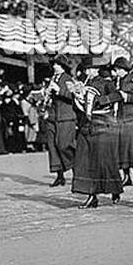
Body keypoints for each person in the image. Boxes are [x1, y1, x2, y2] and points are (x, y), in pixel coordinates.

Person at [71, 61, 122, 209]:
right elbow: (77, 107)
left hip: (101, 125)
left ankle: (114, 188)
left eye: (92, 69)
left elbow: (117, 96)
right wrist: (77, 96)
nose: (89, 72)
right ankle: (91, 195)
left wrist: (98, 100)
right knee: (83, 161)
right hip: (86, 126)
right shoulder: (82, 83)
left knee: (105, 162)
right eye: (87, 69)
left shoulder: (106, 83)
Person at [110, 57, 133, 187]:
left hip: (132, 117)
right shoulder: (115, 82)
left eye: (119, 69)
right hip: (120, 118)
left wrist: (128, 97)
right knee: (122, 149)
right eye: (116, 69)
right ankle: (126, 175)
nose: (116, 72)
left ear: (125, 69)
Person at [45, 56, 78, 187]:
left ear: (63, 66)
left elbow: (73, 96)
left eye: (57, 64)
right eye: (54, 64)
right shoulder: (53, 79)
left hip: (66, 117)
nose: (55, 67)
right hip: (53, 116)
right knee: (52, 146)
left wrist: (59, 90)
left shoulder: (68, 79)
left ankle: (77, 172)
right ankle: (59, 176)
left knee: (64, 145)